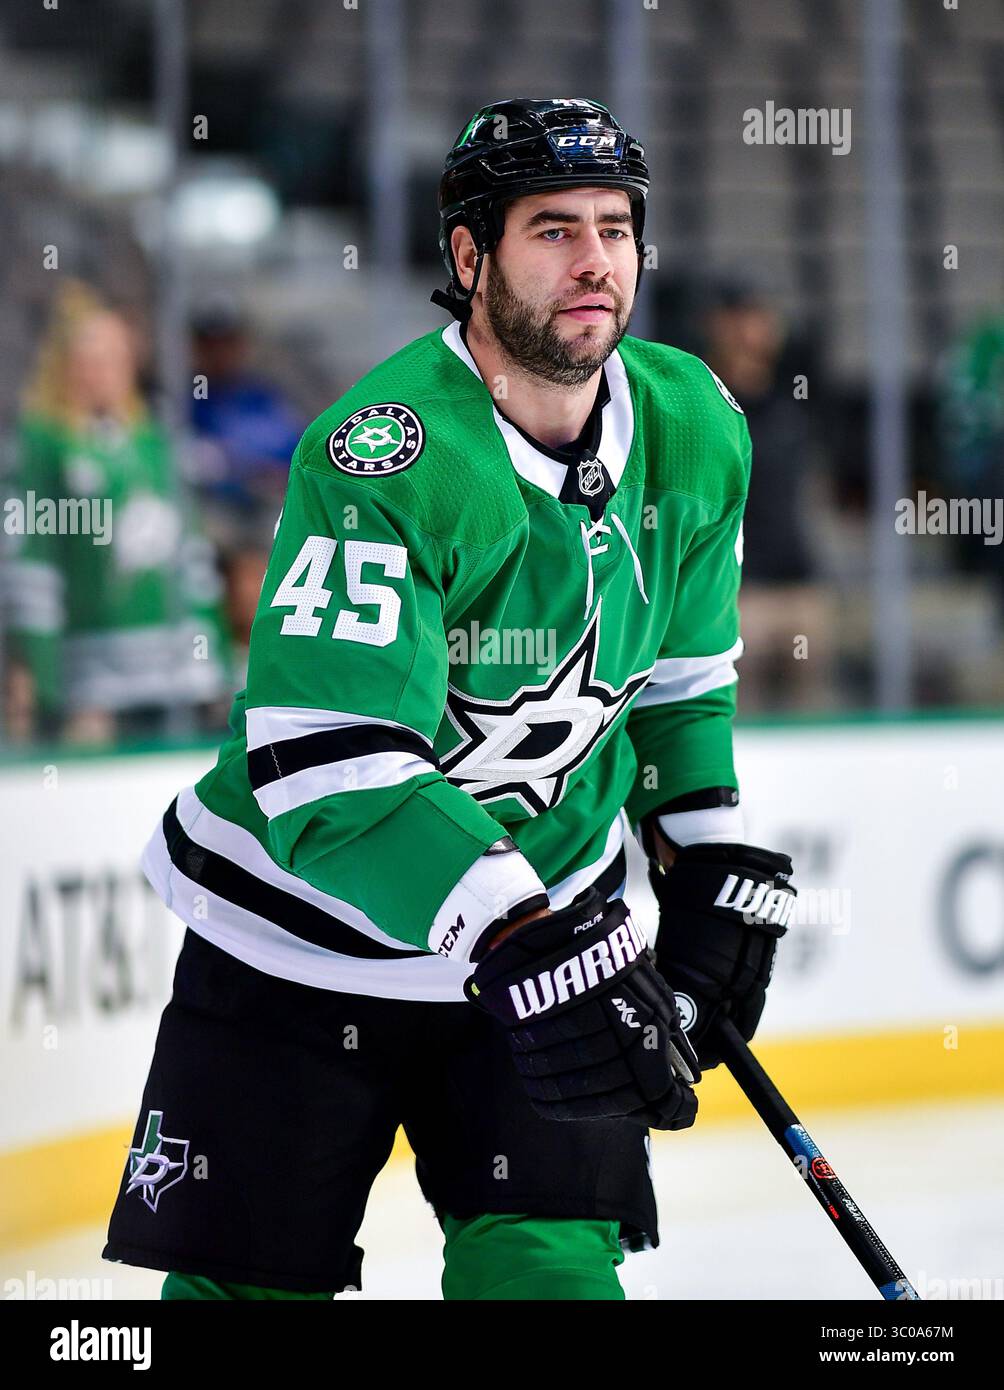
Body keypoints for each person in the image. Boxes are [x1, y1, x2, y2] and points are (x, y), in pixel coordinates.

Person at [103, 99, 796, 1301]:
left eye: (616, 228)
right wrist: (524, 933)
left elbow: (680, 685)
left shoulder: (695, 425)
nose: (595, 262)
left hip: (542, 939)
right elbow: (333, 762)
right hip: (297, 944)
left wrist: (702, 840)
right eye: (551, 231)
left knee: (547, 1279)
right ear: (469, 258)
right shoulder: (390, 453)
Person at [4, 282, 232, 745]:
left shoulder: (155, 441)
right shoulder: (44, 446)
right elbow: (33, 565)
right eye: (91, 356)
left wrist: (216, 659)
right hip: (92, 676)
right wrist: (37, 674)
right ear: (65, 363)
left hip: (178, 673)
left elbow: (191, 558)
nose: (103, 369)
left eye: (114, 354)